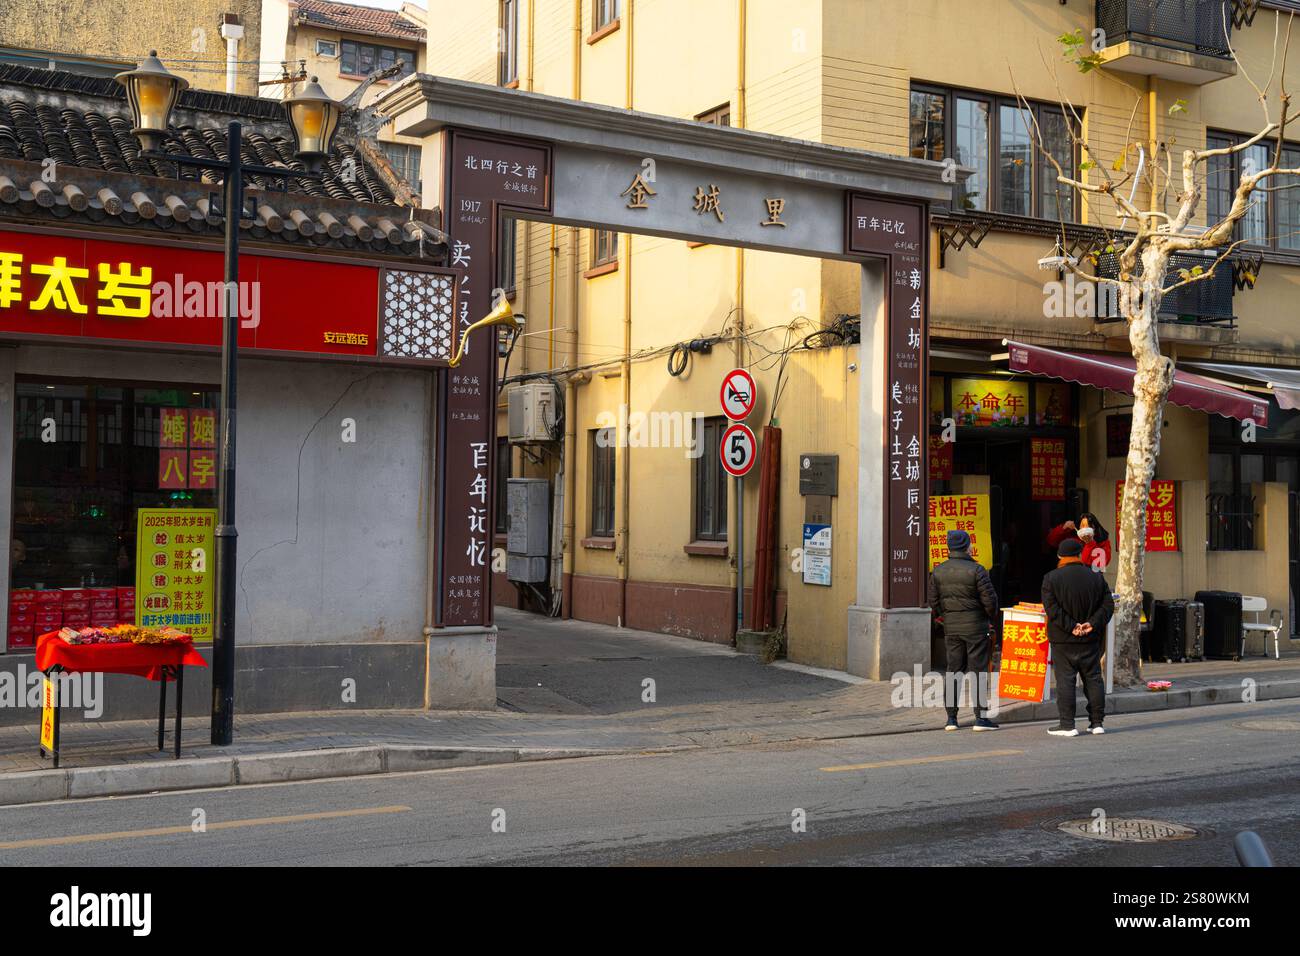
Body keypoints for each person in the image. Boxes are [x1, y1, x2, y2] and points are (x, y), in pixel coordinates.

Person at [1041, 537, 1114, 737]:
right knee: (1093, 678)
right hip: (1090, 638)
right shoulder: (1096, 577)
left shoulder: (1051, 578)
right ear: (1080, 555)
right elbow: (1108, 605)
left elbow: (1052, 609)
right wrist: (1092, 623)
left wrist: (1071, 626)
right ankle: (1097, 723)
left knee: (1065, 680)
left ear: (1059, 556)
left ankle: (1067, 724)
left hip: (1063, 639)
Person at [928, 529, 1000, 731]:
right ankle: (980, 718)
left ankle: (951, 719)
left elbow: (933, 601)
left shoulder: (939, 571)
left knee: (953, 671)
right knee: (978, 672)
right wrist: (987, 616)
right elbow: (990, 600)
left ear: (949, 547)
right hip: (976, 627)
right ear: (967, 546)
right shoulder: (977, 570)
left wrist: (947, 615)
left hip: (952, 627)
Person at [1047, 512, 1111, 570]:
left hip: (1093, 577)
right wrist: (1063, 527)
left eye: (1089, 526)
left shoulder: (1102, 541)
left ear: (1095, 528)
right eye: (1082, 526)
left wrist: (1090, 543)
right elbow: (1052, 541)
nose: (1085, 529)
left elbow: (1100, 565)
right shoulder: (1074, 538)